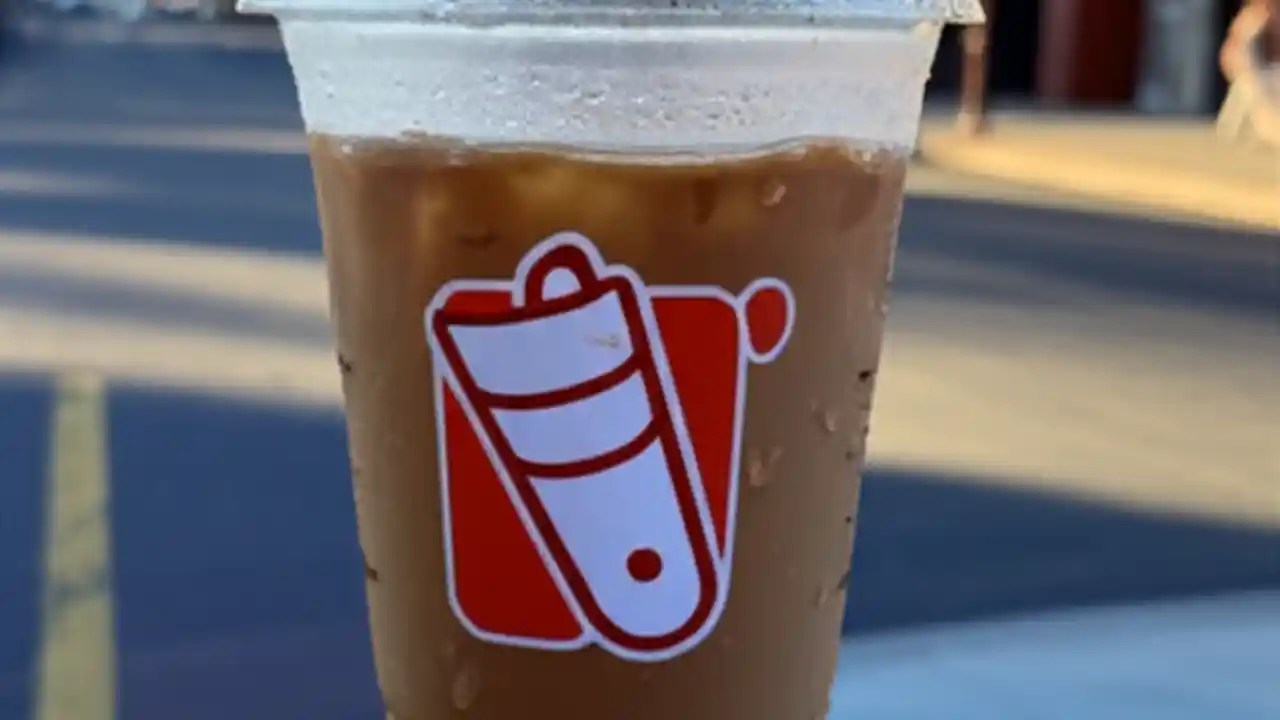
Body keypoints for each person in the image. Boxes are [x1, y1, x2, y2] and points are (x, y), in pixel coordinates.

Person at [1218, 0, 1280, 146]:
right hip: (1251, 76)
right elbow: (1229, 55)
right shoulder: (1250, 21)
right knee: (1253, 88)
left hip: (1271, 73)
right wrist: (1247, 75)